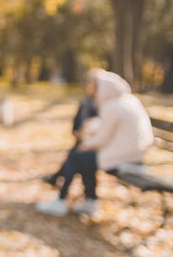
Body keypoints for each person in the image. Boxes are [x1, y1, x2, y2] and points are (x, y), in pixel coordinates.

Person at [35, 70, 152, 217]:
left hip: (124, 157)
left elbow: (102, 138)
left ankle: (61, 200)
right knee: (84, 157)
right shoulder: (129, 100)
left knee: (76, 156)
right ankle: (90, 201)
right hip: (135, 154)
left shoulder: (112, 106)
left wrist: (86, 143)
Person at [41, 68, 102, 187]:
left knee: (75, 155)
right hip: (83, 137)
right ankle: (59, 181)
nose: (88, 85)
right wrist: (78, 133)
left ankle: (59, 183)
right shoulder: (86, 102)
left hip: (95, 142)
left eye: (92, 82)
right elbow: (77, 122)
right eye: (88, 82)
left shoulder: (101, 103)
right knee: (75, 153)